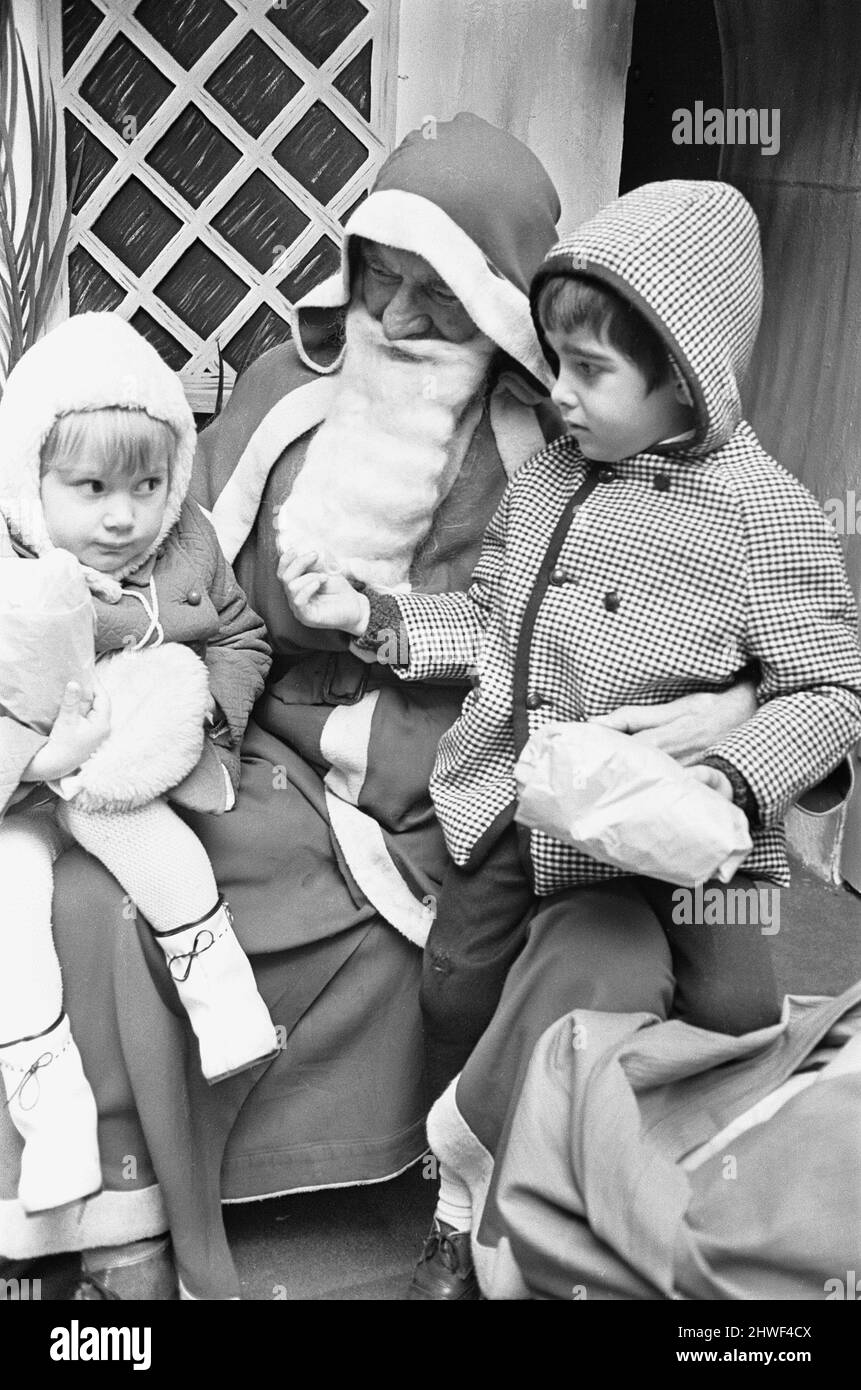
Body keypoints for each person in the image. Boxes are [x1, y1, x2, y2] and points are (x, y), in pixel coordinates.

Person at [0, 118, 755, 1300]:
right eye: (380, 279)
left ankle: (160, 1212)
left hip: (417, 773)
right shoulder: (274, 395)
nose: (394, 320)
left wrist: (737, 706)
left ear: (499, 308)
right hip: (242, 731)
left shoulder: (553, 458)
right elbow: (173, 559)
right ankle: (97, 1201)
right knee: (66, 882)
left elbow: (597, 639)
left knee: (118, 889)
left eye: (438, 297)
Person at [281, 178, 861, 1300]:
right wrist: (377, 619)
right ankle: (495, 1136)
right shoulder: (545, 478)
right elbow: (493, 620)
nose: (559, 394)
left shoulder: (763, 513)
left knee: (734, 1022)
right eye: (552, 361)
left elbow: (834, 689)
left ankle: (497, 1181)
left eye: (590, 371)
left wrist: (731, 763)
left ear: (685, 374)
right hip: (517, 810)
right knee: (457, 990)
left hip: (682, 849)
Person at [0, 316, 273, 1215]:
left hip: (126, 763)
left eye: (147, 485)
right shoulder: (9, 566)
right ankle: (51, 1111)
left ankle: (217, 982)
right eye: (90, 488)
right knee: (5, 900)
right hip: (18, 780)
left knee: (122, 801)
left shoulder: (185, 544)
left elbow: (239, 634)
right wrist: (43, 758)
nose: (123, 515)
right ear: (32, 483)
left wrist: (207, 716)